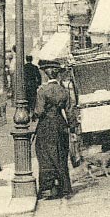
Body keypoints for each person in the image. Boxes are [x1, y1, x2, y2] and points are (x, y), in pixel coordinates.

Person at [34, 60, 73, 199]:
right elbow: (69, 111)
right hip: (61, 125)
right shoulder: (63, 91)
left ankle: (48, 188)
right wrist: (72, 127)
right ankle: (64, 187)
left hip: (46, 126)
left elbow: (39, 111)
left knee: (45, 155)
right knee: (61, 155)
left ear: (46, 74)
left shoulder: (42, 91)